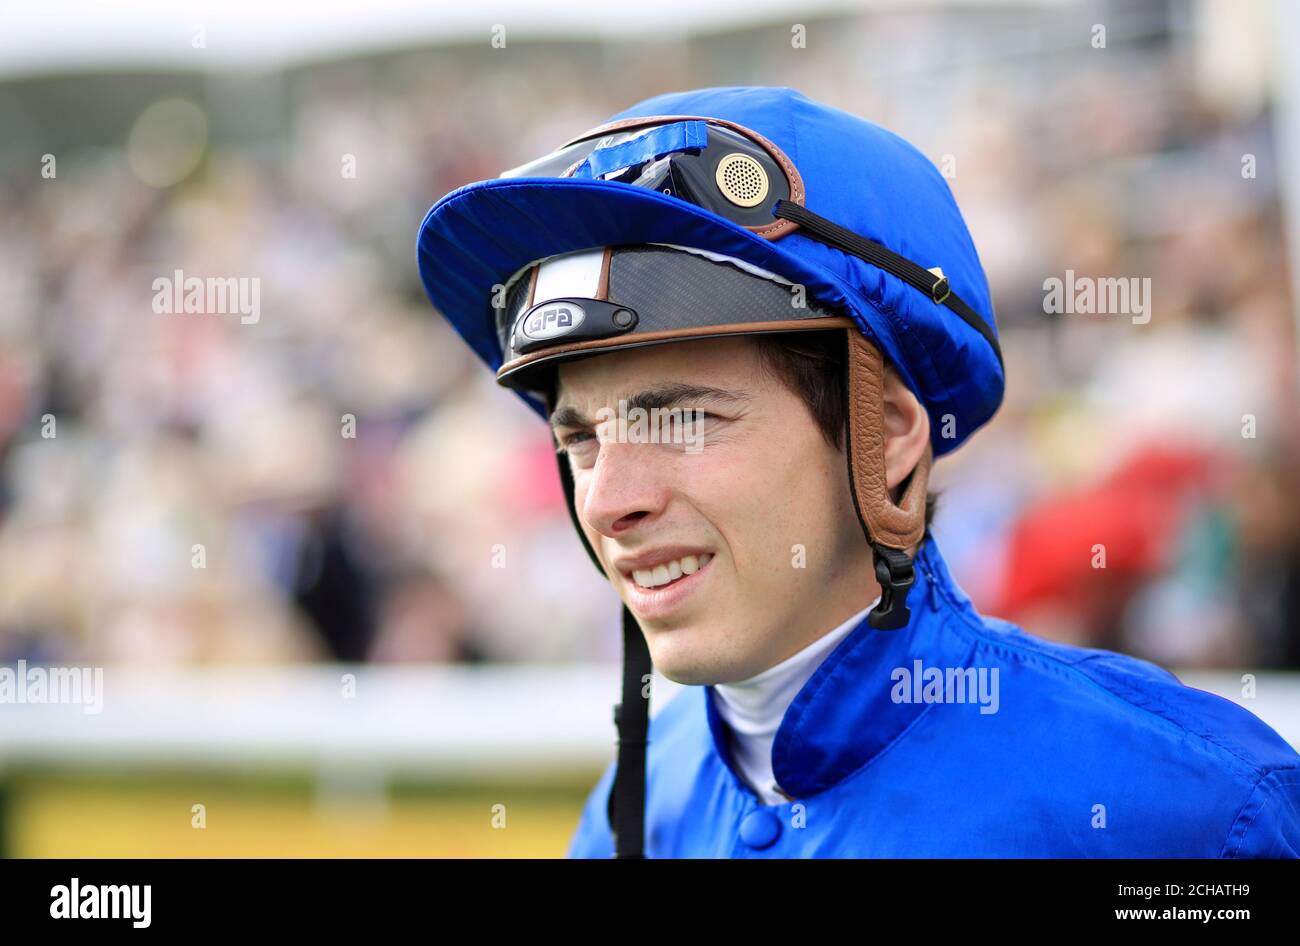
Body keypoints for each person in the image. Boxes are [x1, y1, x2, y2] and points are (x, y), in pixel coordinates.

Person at [416, 86, 1300, 857]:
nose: (608, 501)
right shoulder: (632, 810)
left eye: (680, 418)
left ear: (887, 431)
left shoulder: (1196, 811)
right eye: (581, 441)